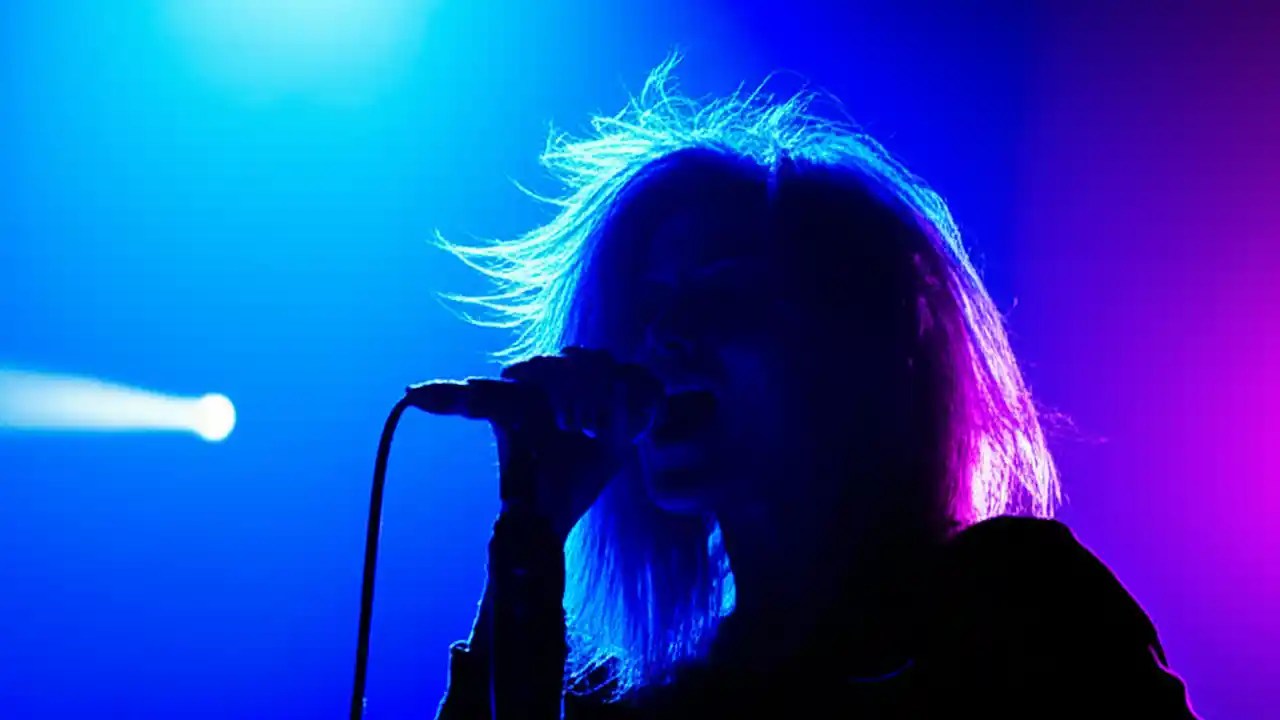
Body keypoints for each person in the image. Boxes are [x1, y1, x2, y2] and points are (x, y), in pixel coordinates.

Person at [432, 59, 1198, 719]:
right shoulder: (650, 699)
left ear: (857, 344)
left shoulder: (1011, 603)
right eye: (648, 305)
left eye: (721, 294)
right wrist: (534, 523)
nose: (663, 337)